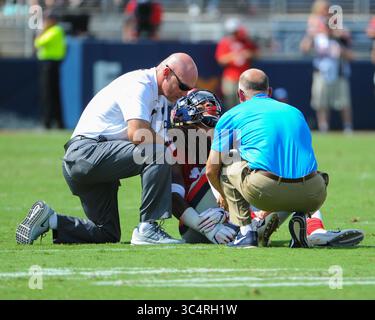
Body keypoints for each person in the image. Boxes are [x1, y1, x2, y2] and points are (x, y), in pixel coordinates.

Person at [16, 52, 198, 245]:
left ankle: (50, 220)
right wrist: (171, 147)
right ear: (167, 72)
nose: (185, 93)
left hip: (93, 160)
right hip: (86, 154)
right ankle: (148, 228)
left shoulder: (160, 99)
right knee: (158, 153)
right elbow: (138, 134)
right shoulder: (140, 84)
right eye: (183, 86)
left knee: (106, 233)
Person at [172, 90, 363, 247]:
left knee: (291, 177)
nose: (208, 130)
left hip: (233, 216)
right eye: (201, 124)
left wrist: (260, 207)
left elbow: (249, 185)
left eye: (211, 123)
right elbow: (174, 197)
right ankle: (255, 226)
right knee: (225, 168)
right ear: (183, 127)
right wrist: (205, 226)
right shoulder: (175, 149)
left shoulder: (228, 140)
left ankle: (313, 230)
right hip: (200, 222)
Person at [206, 68, 329, 248]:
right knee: (292, 168)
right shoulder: (296, 112)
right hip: (314, 193)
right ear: (269, 92)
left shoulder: (231, 115)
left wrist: (224, 197)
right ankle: (301, 219)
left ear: (240, 94)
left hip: (267, 191)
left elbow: (211, 169)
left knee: (229, 160)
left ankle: (246, 232)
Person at [300, 0, 353, 133]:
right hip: (321, 71)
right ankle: (324, 127)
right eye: (322, 10)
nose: (325, 14)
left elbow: (351, 54)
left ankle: (348, 128)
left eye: (327, 10)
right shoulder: (315, 33)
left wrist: (336, 36)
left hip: (339, 71)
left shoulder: (339, 31)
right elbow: (304, 49)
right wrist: (311, 34)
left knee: (343, 102)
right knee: (321, 102)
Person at [215, 18, 259, 110]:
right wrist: (232, 56)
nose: (234, 35)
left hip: (245, 77)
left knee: (245, 101)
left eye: (235, 32)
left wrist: (248, 54)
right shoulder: (225, 42)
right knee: (230, 101)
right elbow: (220, 59)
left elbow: (257, 53)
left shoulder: (246, 41)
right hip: (230, 77)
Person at [34, 11, 66, 129]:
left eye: (48, 19)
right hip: (51, 64)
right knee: (53, 94)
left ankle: (48, 122)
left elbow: (38, 42)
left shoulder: (55, 30)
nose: (46, 22)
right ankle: (57, 122)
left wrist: (41, 31)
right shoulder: (57, 30)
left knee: (48, 94)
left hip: (49, 64)